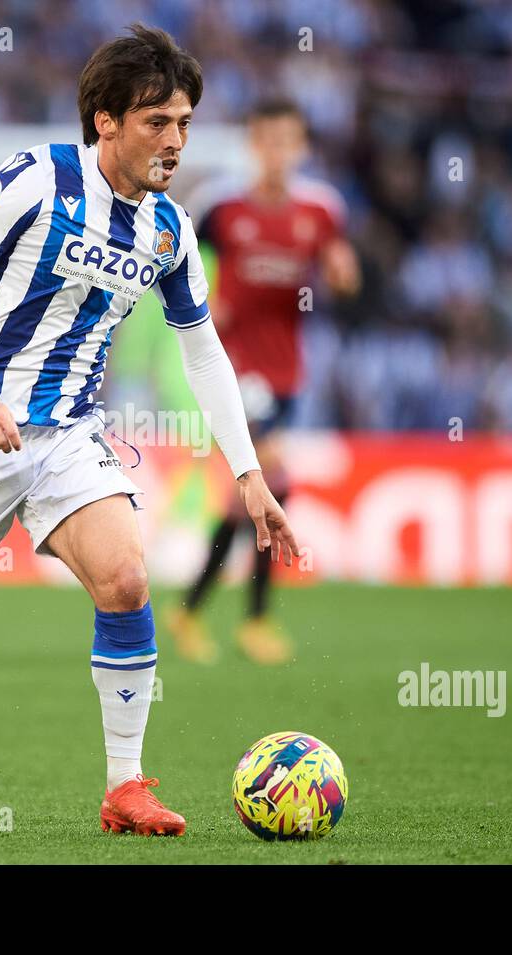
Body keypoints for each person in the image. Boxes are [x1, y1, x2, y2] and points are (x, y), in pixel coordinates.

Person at [0, 25, 297, 837]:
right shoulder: (35, 180)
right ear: (106, 121)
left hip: (68, 434)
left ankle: (124, 785)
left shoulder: (169, 230)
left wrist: (247, 472)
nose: (174, 141)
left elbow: (203, 349)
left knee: (127, 579)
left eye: (183, 123)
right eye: (156, 122)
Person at [166, 97, 359, 665]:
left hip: (287, 370)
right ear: (253, 145)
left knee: (243, 502)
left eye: (288, 142)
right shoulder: (221, 208)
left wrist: (343, 276)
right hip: (234, 363)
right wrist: (203, 305)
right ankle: (254, 620)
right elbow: (174, 259)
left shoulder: (321, 209)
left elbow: (344, 273)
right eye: (268, 141)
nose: (278, 152)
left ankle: (191, 610)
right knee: (275, 479)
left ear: (302, 148)